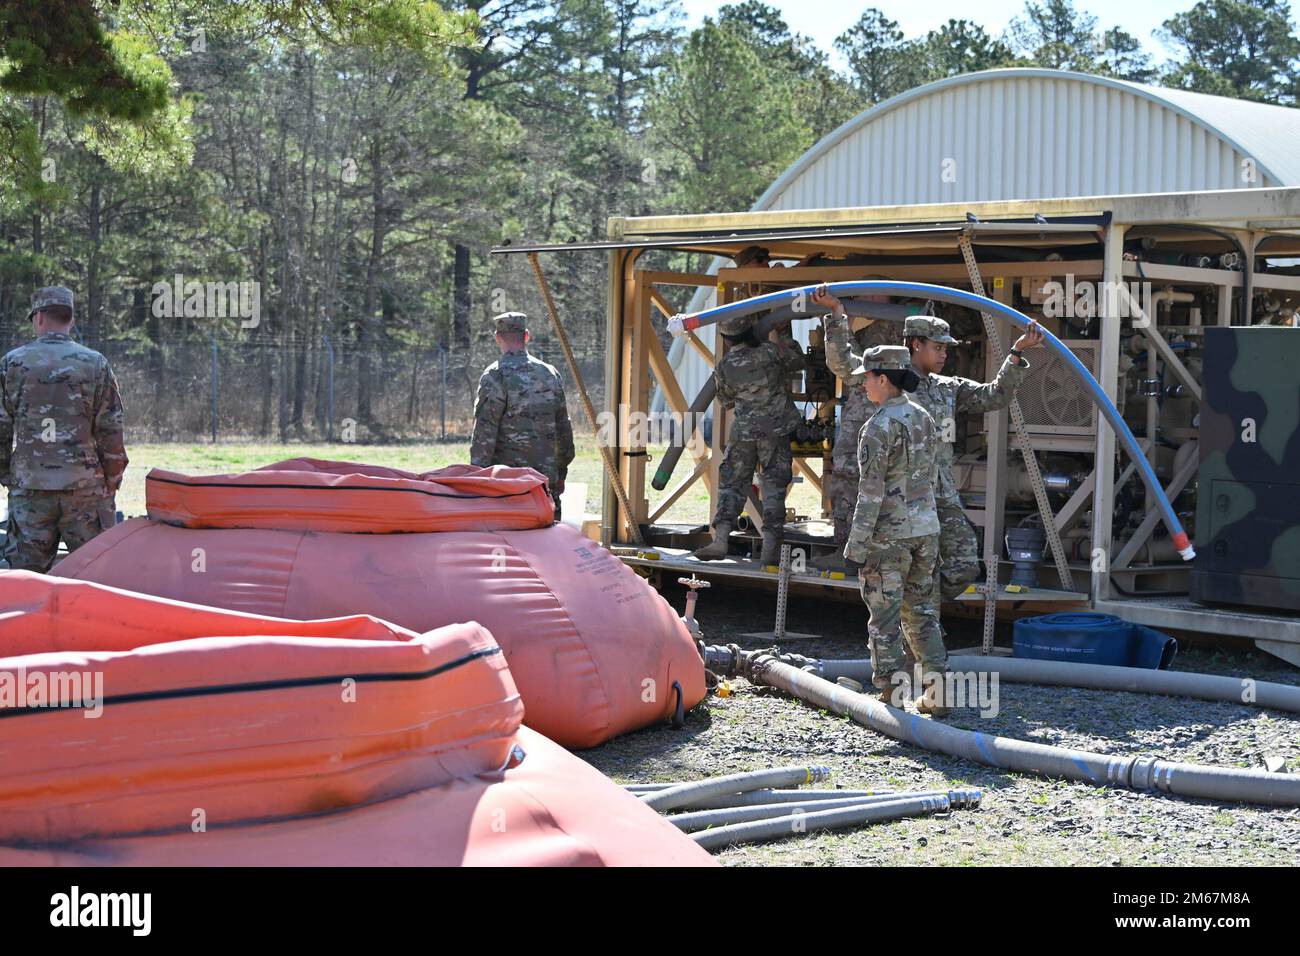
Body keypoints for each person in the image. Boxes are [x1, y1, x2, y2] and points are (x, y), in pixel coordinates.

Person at [841, 344, 950, 716]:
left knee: (884, 618)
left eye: (867, 379)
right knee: (921, 612)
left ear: (882, 379)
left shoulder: (877, 428)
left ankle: (892, 694)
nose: (864, 386)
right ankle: (936, 693)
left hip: (889, 535)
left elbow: (870, 493)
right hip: (926, 529)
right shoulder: (923, 416)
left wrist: (856, 547)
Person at [904, 312, 1043, 599]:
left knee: (965, 564)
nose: (943, 355)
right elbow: (845, 366)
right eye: (937, 347)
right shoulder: (890, 383)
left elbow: (995, 395)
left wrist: (1016, 352)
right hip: (905, 498)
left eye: (945, 349)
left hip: (941, 494)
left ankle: (917, 611)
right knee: (910, 565)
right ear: (916, 344)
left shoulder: (947, 387)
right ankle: (913, 622)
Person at [1, 286, 127, 572]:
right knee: (95, 578)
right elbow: (111, 428)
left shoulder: (13, 364)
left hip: (31, 489)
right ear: (70, 321)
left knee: (27, 582)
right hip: (84, 490)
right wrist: (111, 480)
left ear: (40, 318)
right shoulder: (95, 364)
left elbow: (0, 427)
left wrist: (10, 475)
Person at [692, 315, 806, 566]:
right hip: (775, 432)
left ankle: (720, 539)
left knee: (732, 483)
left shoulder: (724, 366)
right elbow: (798, 359)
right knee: (774, 487)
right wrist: (784, 332)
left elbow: (726, 400)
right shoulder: (771, 352)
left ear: (726, 338)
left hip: (743, 432)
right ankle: (770, 549)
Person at [812, 286, 903, 569]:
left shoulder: (886, 330)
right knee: (855, 483)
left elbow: (847, 363)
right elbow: (848, 363)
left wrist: (841, 318)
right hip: (867, 420)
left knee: (862, 483)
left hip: (871, 420)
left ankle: (857, 554)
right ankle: (853, 553)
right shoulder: (884, 329)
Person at [470, 311, 575, 520]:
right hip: (545, 485)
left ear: (497, 337)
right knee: (550, 544)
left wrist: (476, 480)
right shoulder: (550, 373)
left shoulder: (495, 375)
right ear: (526, 336)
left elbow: (484, 436)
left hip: (508, 487)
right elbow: (564, 431)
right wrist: (560, 473)